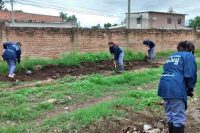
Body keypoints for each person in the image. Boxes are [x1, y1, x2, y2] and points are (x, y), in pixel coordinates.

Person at [158, 41, 197, 133]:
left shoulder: (171, 56)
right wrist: (190, 89)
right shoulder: (188, 56)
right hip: (176, 87)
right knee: (178, 117)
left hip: (164, 86)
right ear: (191, 49)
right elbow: (190, 74)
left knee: (170, 114)